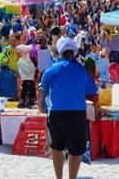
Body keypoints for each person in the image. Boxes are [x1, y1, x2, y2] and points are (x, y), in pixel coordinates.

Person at [38, 38, 99, 179]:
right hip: (76, 113)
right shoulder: (81, 71)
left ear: (60, 52)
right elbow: (92, 92)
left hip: (56, 112)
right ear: (74, 53)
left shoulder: (51, 70)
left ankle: (59, 178)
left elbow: (42, 90)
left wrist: (41, 105)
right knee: (75, 151)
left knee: (57, 148)